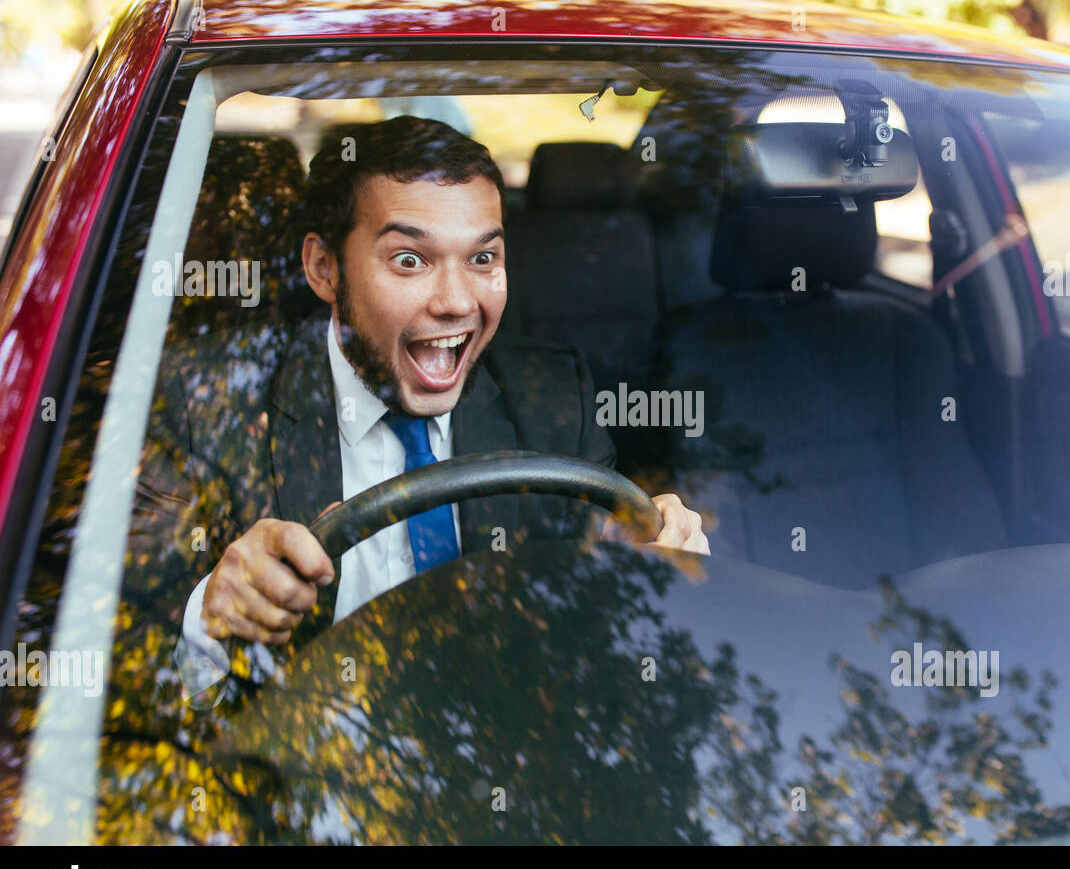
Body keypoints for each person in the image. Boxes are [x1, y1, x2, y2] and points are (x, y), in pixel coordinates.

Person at [148, 116, 707, 705]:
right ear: (324, 268)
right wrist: (208, 620)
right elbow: (127, 681)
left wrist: (655, 571)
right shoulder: (203, 410)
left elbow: (596, 632)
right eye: (410, 260)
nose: (457, 302)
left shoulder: (554, 397)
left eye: (483, 259)